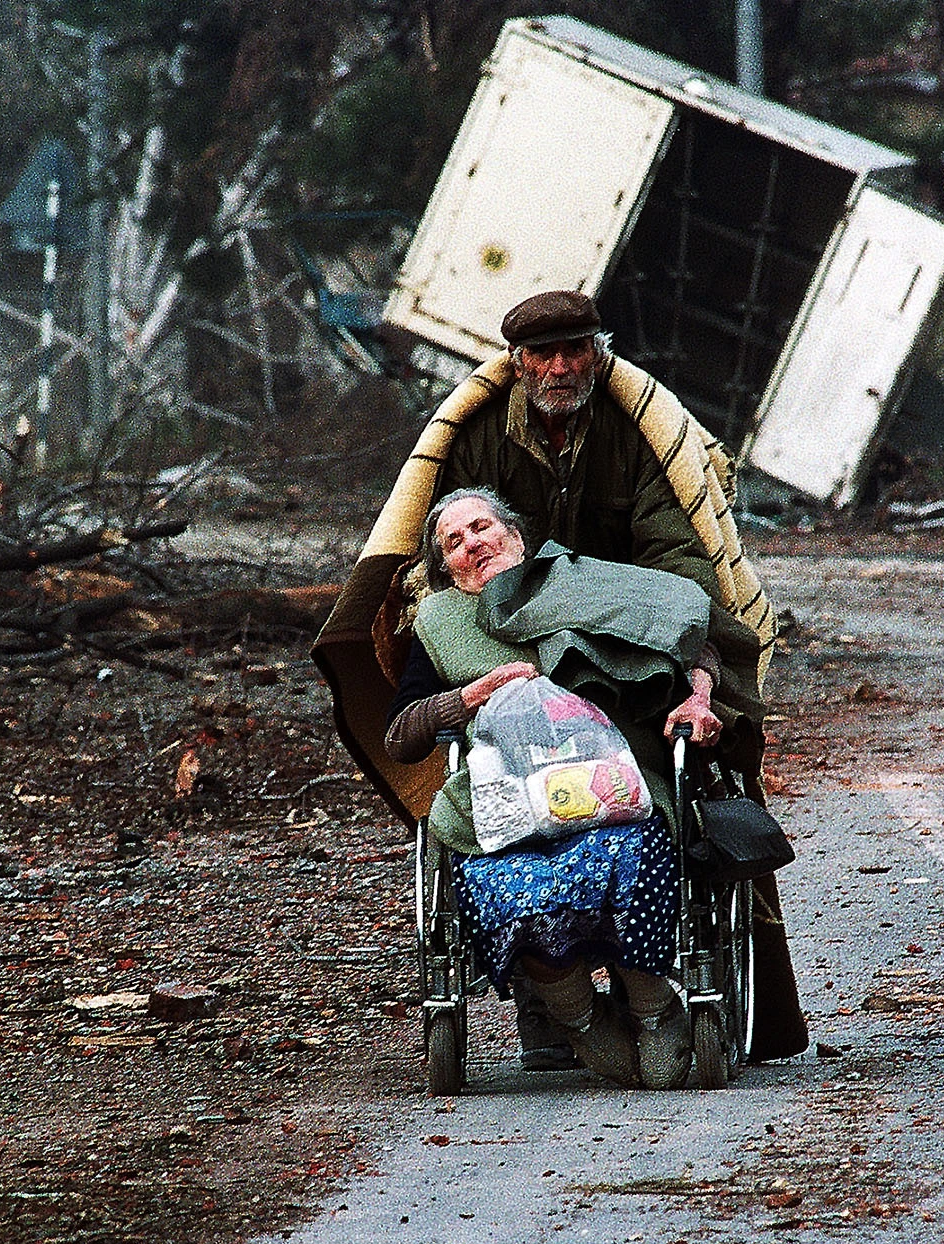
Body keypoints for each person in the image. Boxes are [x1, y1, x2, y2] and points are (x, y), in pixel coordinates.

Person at [314, 289, 808, 1069]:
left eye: (575, 349)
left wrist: (677, 650)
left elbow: (675, 560)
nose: (560, 366)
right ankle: (562, 1008)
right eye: (543, 355)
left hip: (609, 626)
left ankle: (657, 1004)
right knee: (500, 853)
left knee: (671, 797)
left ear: (595, 350)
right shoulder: (477, 455)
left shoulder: (636, 429)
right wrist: (467, 675)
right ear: (518, 365)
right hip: (508, 722)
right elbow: (439, 557)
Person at [384, 487, 723, 1088]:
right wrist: (468, 696)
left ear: (516, 537)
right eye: (454, 543)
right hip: (509, 804)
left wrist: (697, 697)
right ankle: (578, 1018)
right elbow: (401, 736)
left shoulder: (581, 583)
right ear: (445, 571)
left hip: (615, 785)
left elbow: (691, 633)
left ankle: (652, 1007)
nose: (472, 544)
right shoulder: (439, 625)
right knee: (510, 888)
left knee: (629, 854)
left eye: (482, 527)